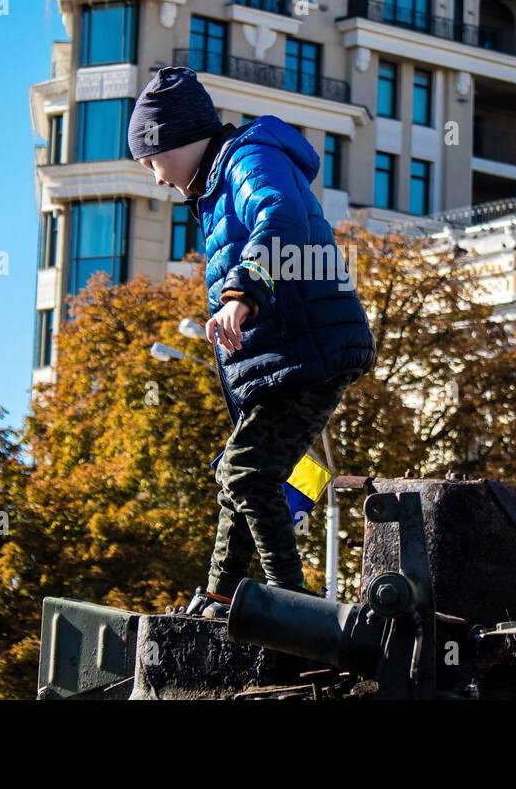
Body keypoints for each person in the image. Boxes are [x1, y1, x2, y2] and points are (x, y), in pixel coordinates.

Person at [126, 66, 376, 618]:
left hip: (307, 349)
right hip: (283, 358)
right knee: (238, 471)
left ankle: (294, 607)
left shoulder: (249, 158)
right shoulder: (215, 187)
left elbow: (280, 218)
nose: (158, 180)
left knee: (246, 470)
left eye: (153, 162)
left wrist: (243, 293)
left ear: (178, 138)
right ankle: (220, 593)